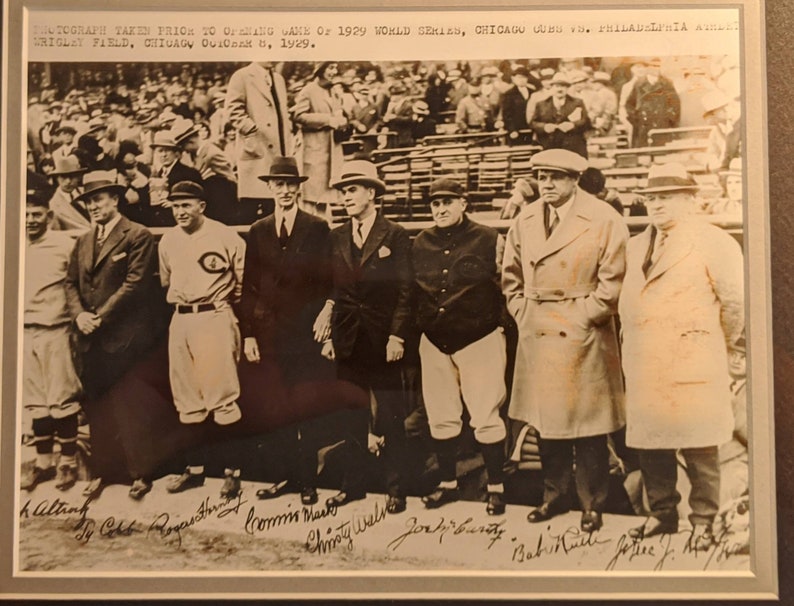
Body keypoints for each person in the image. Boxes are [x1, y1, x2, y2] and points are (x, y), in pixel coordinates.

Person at [501, 149, 628, 533]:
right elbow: (510, 276)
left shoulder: (604, 218)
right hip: (538, 327)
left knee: (587, 424)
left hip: (583, 331)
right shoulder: (524, 219)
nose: (547, 184)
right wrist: (523, 311)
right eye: (541, 177)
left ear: (575, 179)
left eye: (556, 177)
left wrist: (585, 317)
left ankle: (592, 504)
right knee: (546, 421)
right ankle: (553, 497)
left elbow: (612, 283)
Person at [619, 163, 744, 551]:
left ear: (690, 201)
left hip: (694, 358)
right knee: (651, 441)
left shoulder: (715, 241)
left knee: (700, 444)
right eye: (652, 198)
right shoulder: (637, 243)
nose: (656, 205)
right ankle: (662, 513)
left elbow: (735, 304)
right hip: (646, 361)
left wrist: (712, 344)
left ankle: (703, 521)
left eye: (666, 198)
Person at [314, 160, 413, 514]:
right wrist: (331, 336)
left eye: (352, 190)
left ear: (371, 193)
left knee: (389, 415)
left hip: (383, 340)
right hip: (348, 340)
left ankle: (396, 488)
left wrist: (397, 336)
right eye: (342, 191)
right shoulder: (337, 235)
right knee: (351, 414)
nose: (345, 197)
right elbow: (336, 289)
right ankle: (351, 486)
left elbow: (405, 291)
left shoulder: (395, 234)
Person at [238, 156, 333, 506]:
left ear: (299, 187)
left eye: (291, 184)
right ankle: (285, 477)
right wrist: (248, 334)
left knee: (303, 406)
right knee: (275, 407)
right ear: (270, 188)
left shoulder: (317, 227)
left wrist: (326, 321)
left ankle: (308, 480)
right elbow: (248, 286)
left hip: (305, 334)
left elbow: (329, 282)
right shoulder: (258, 230)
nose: (285, 191)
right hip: (268, 335)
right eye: (278, 185)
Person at [412, 178, 509, 516]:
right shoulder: (421, 241)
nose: (440, 208)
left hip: (477, 338)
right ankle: (448, 484)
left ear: (463, 203)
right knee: (441, 417)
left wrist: (497, 325)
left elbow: (504, 285)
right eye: (435, 203)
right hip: (436, 341)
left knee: (485, 416)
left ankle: (496, 489)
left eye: (448, 202)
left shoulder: (488, 237)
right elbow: (414, 292)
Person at [64, 170, 161, 499]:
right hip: (90, 339)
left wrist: (98, 317)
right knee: (98, 407)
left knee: (131, 406)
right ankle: (102, 472)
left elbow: (134, 285)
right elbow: (71, 283)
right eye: (89, 200)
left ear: (115, 200)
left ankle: (140, 474)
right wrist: (79, 315)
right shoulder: (83, 240)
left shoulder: (137, 234)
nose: (93, 206)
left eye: (99, 199)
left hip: (126, 340)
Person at [157, 181, 246, 499]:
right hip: (180, 318)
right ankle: (194, 471)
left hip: (214, 315)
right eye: (175, 205)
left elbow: (241, 282)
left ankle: (232, 473)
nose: (180, 211)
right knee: (188, 399)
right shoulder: (167, 240)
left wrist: (224, 309)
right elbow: (166, 279)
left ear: (201, 206)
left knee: (221, 398)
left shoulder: (224, 235)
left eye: (186, 205)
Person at [21, 191, 83, 492]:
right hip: (24, 330)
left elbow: (79, 282)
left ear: (48, 215)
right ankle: (43, 463)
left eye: (36, 214)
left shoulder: (65, 244)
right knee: (35, 403)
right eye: (26, 214)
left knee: (62, 399)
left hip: (55, 329)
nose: (31, 220)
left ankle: (67, 463)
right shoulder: (15, 244)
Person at [226, 62, 293, 223]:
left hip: (278, 151)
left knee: (274, 207)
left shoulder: (278, 79)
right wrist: (252, 130)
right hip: (257, 149)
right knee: (252, 206)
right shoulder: (242, 76)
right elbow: (232, 110)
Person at [291, 62, 349, 220]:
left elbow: (339, 114)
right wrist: (327, 120)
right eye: (330, 67)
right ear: (320, 70)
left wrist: (342, 121)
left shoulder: (334, 91)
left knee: (324, 198)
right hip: (313, 150)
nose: (334, 71)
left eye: (336, 67)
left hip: (330, 151)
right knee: (310, 197)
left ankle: (323, 231)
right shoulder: (308, 90)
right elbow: (298, 116)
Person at [171, 118, 238, 225]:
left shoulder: (212, 154)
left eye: (184, 146)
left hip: (221, 205)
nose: (184, 150)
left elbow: (230, 179)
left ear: (191, 142)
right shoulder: (197, 154)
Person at [148, 130, 203, 227]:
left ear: (176, 153)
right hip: (160, 222)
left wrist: (173, 204)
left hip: (181, 222)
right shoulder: (156, 174)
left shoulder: (189, 173)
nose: (163, 155)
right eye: (160, 151)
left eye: (167, 151)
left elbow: (199, 199)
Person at [530, 72, 590, 158]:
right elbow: (533, 123)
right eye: (557, 86)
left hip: (573, 147)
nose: (560, 89)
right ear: (552, 88)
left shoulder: (577, 103)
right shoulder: (541, 104)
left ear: (567, 88)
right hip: (549, 147)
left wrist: (573, 125)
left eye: (563, 86)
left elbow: (586, 121)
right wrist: (544, 127)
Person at [625, 58, 681, 148]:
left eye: (658, 66)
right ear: (647, 68)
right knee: (644, 155)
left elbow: (675, 104)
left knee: (662, 154)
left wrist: (668, 118)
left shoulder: (667, 84)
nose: (656, 68)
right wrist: (637, 119)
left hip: (662, 126)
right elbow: (629, 105)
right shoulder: (639, 84)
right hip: (643, 128)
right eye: (653, 66)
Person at [48, 155, 91, 233]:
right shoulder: (53, 205)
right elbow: (55, 234)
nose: (68, 181)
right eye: (63, 177)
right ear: (57, 178)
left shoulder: (88, 193)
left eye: (72, 176)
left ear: (79, 177)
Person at [501, 65, 536, 146]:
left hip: (531, 130)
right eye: (519, 77)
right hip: (516, 131)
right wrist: (512, 130)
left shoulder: (532, 92)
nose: (521, 80)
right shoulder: (509, 94)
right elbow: (506, 115)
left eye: (524, 77)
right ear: (514, 78)